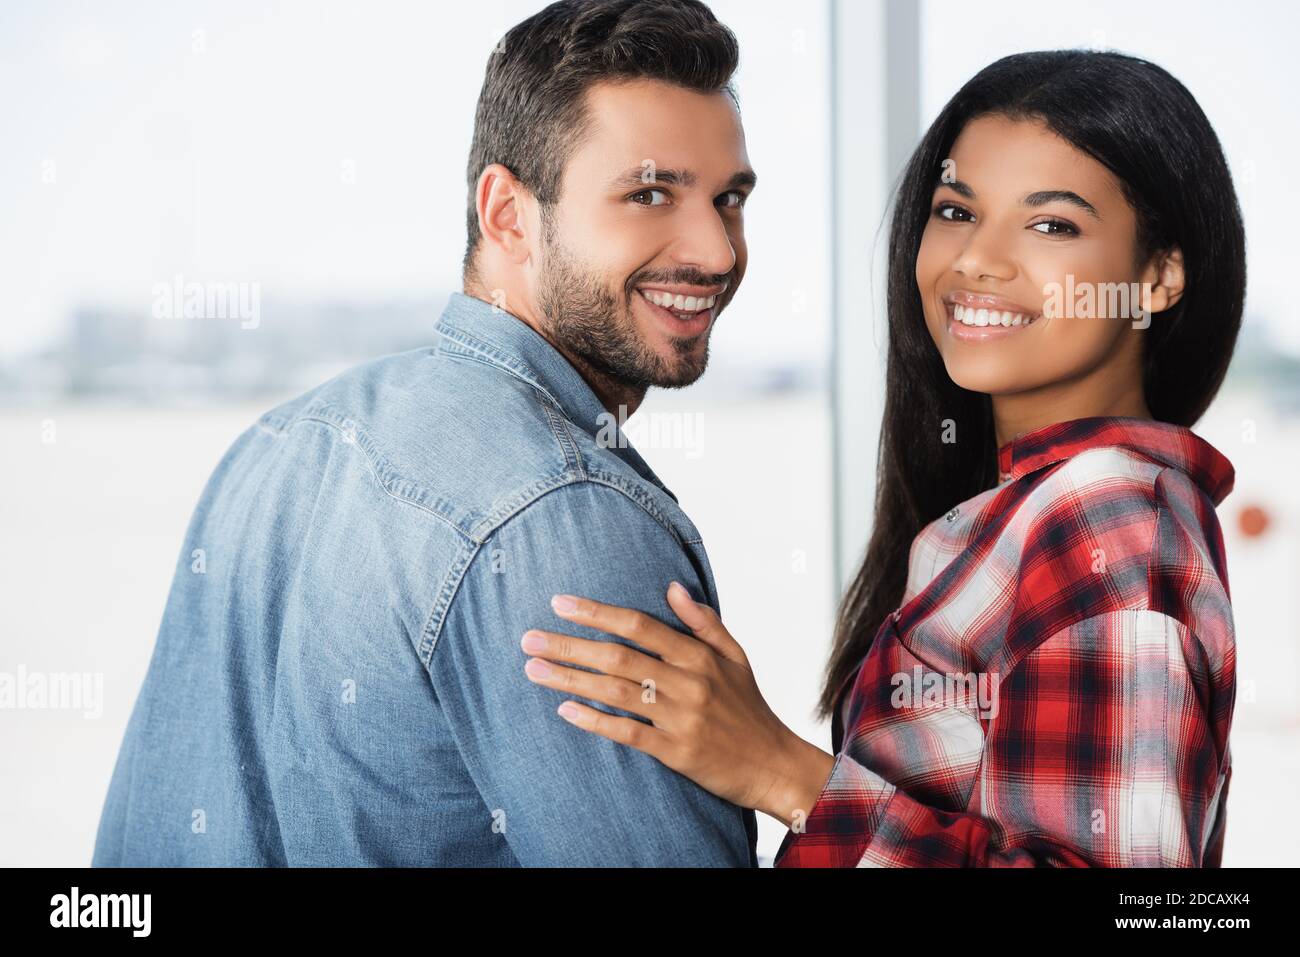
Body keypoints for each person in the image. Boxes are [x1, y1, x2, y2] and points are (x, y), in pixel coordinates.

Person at [521, 50, 1246, 867]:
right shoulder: (1028, 506)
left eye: (1051, 225)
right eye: (956, 211)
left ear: (1160, 275)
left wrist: (777, 767)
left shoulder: (1108, 527)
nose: (977, 259)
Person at [92, 0, 760, 867]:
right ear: (509, 214)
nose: (716, 251)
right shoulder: (567, 522)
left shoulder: (277, 445)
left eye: (728, 199)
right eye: (649, 194)